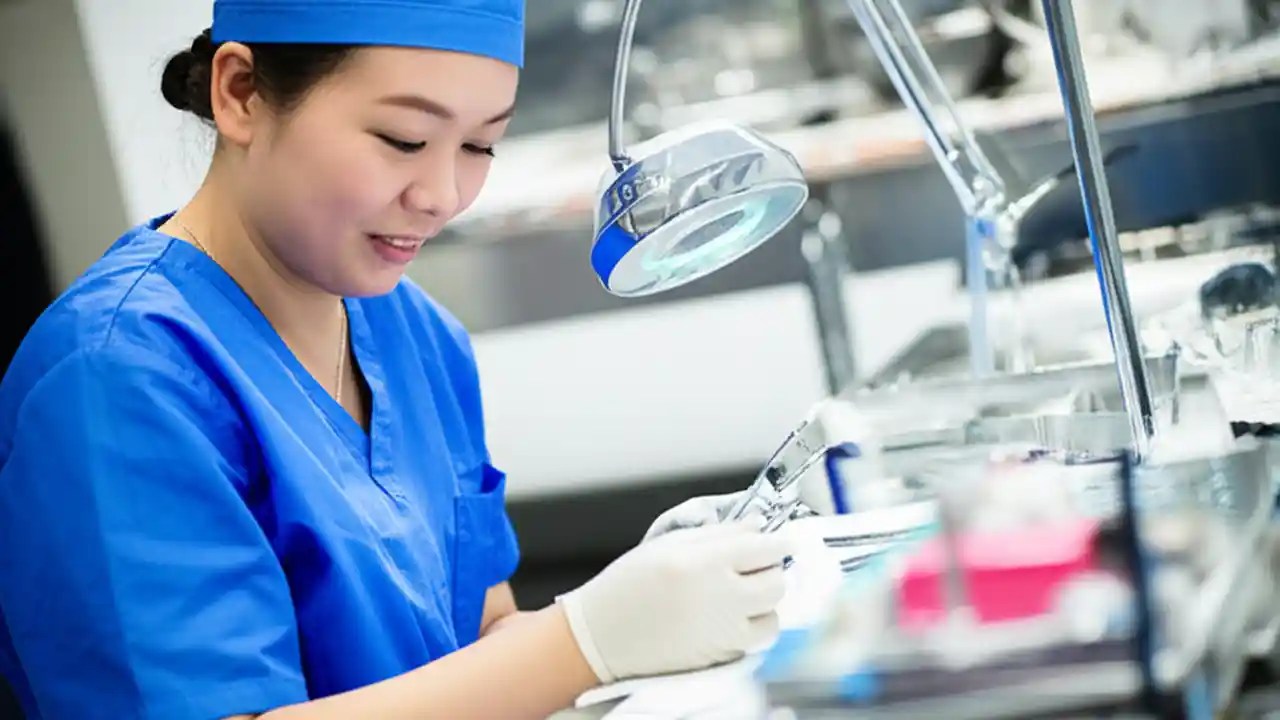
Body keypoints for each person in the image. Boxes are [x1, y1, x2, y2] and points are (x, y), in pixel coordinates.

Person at [0, 1, 789, 718]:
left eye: (481, 144)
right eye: (403, 139)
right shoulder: (114, 377)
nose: (443, 194)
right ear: (240, 92)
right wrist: (584, 640)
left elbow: (488, 644)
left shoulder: (416, 334)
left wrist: (648, 616)